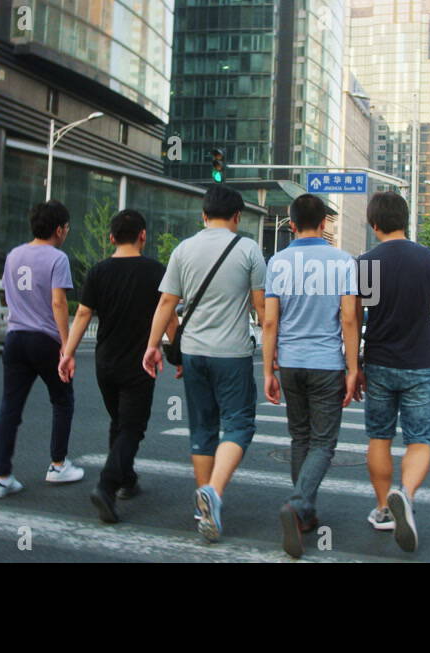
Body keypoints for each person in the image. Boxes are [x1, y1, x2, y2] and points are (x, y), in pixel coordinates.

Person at [142, 185, 266, 543]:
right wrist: (274, 355)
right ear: (238, 217)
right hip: (232, 354)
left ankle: (202, 509)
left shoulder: (184, 249)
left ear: (203, 215)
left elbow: (167, 303)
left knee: (202, 430)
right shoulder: (248, 249)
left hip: (194, 353)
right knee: (240, 425)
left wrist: (154, 346)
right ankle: (213, 491)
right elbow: (262, 310)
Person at [356, 191, 430, 553]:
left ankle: (385, 507)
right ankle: (407, 493)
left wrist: (353, 366)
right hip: (419, 364)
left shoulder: (367, 263)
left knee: (380, 436)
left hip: (379, 362)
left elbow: (358, 317)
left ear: (374, 224)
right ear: (405, 220)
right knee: (420, 439)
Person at [59, 210, 181, 524]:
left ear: (111, 237)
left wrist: (67, 353)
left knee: (119, 422)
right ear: (143, 235)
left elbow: (83, 316)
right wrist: (178, 356)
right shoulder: (156, 271)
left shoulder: (98, 272)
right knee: (132, 427)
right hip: (139, 363)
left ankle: (126, 479)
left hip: (105, 364)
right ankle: (107, 485)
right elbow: (168, 316)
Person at [262, 194, 361, 558]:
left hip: (290, 362)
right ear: (324, 225)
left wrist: (267, 368)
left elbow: (269, 321)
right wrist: (353, 369)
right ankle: (298, 502)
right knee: (323, 444)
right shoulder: (343, 261)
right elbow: (349, 319)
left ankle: (304, 514)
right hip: (326, 364)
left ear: (291, 225)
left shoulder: (277, 262)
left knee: (299, 438)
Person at [0, 200, 84, 499]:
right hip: (44, 339)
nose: (67, 233)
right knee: (62, 400)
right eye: (67, 228)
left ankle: (1, 477)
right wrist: (67, 347)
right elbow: (58, 303)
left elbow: (9, 294)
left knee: (10, 408)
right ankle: (58, 464)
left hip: (15, 337)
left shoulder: (14, 255)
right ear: (59, 229)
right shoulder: (58, 258)